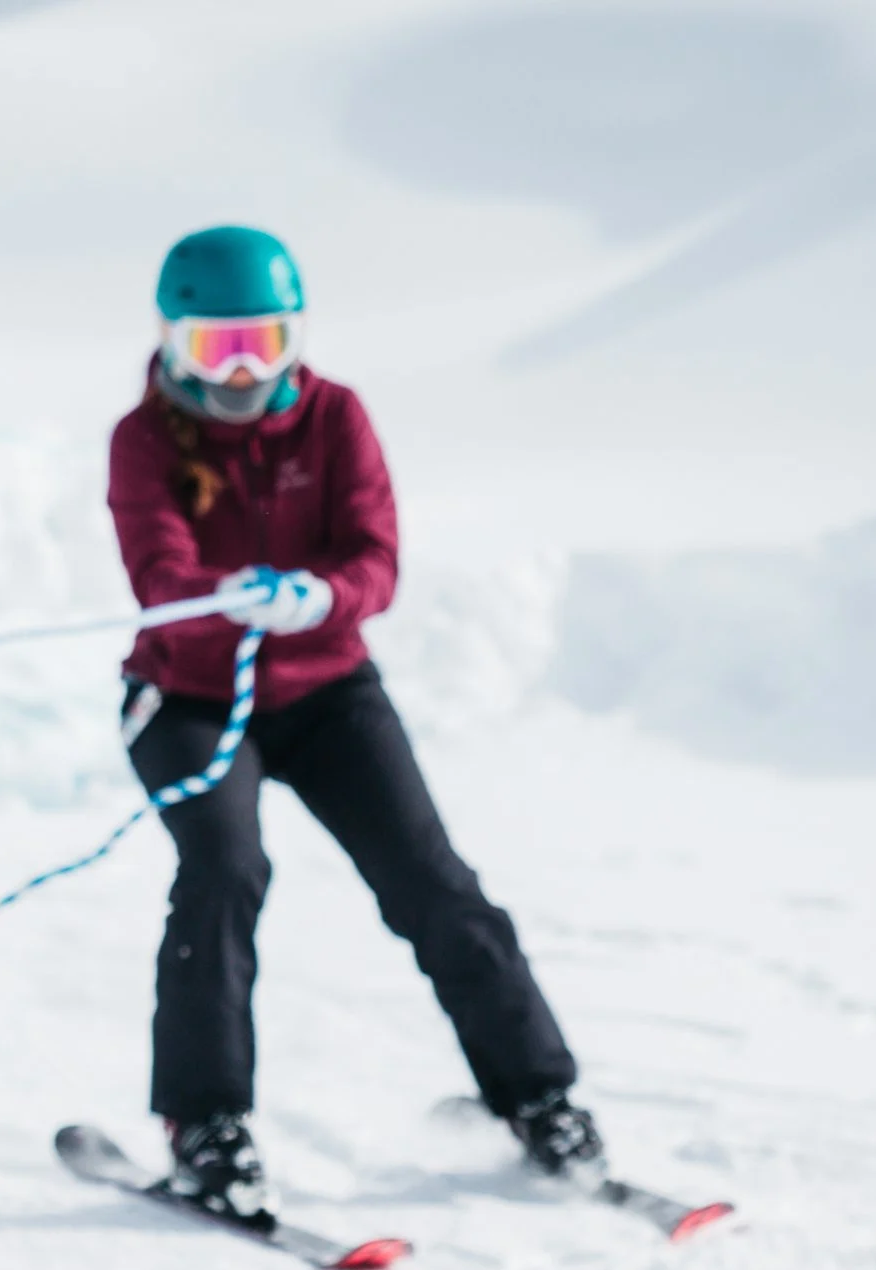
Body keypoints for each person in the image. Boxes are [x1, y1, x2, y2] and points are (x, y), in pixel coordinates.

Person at [108, 224, 601, 1219]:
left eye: (262, 343)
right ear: (171, 342)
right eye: (216, 347)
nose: (241, 372)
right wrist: (229, 597)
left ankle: (538, 1094)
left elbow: (376, 557)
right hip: (188, 698)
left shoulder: (335, 416)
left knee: (432, 880)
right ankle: (204, 1123)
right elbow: (159, 575)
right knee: (224, 871)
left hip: (327, 687)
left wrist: (321, 597)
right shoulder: (144, 438)